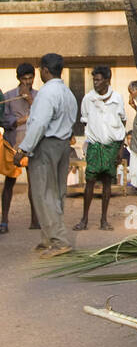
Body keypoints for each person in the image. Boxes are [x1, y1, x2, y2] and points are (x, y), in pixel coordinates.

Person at [12, 53, 78, 257]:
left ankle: (59, 241)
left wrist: (23, 148)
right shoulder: (67, 92)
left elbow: (39, 123)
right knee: (56, 192)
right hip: (63, 145)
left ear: (45, 70)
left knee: (43, 194)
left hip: (46, 145)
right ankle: (48, 237)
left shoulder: (47, 93)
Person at [74, 65, 127, 232]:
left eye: (98, 80)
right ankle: (84, 219)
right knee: (89, 181)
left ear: (107, 80)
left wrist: (119, 149)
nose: (95, 83)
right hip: (95, 146)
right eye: (94, 80)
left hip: (111, 146)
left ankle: (104, 220)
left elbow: (123, 122)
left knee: (107, 182)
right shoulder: (88, 99)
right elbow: (85, 121)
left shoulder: (117, 98)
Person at [0, 62, 39, 234]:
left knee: (34, 185)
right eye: (24, 79)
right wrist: (24, 119)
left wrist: (30, 100)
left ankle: (35, 220)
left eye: (30, 79)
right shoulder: (8, 96)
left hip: (33, 146)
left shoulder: (38, 96)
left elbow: (42, 118)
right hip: (13, 146)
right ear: (19, 79)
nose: (28, 82)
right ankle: (4, 221)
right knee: (9, 184)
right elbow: (5, 122)